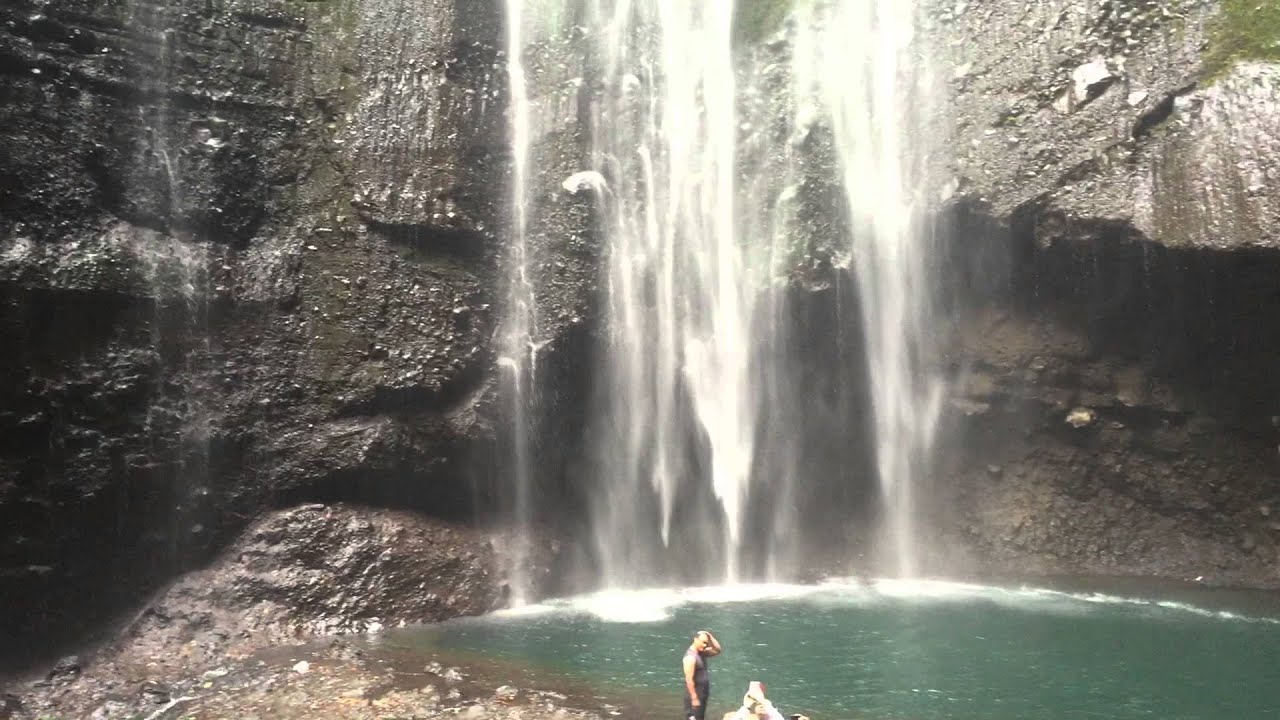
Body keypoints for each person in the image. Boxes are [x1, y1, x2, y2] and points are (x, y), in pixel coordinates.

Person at [682, 629, 721, 720]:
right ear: (696, 639)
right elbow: (689, 679)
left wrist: (710, 637)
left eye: (707, 643)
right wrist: (694, 698)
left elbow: (717, 650)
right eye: (703, 642)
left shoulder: (702, 653)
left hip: (702, 695)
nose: (705, 645)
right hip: (694, 698)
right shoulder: (690, 657)